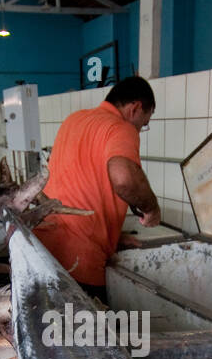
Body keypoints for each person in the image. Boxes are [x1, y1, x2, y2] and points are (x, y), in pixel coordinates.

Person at [35, 76, 161, 303]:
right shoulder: (121, 128)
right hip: (80, 261)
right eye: (144, 123)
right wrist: (151, 209)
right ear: (135, 108)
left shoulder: (74, 120)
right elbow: (124, 179)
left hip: (43, 248)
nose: (140, 130)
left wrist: (112, 235)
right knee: (93, 335)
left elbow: (80, 183)